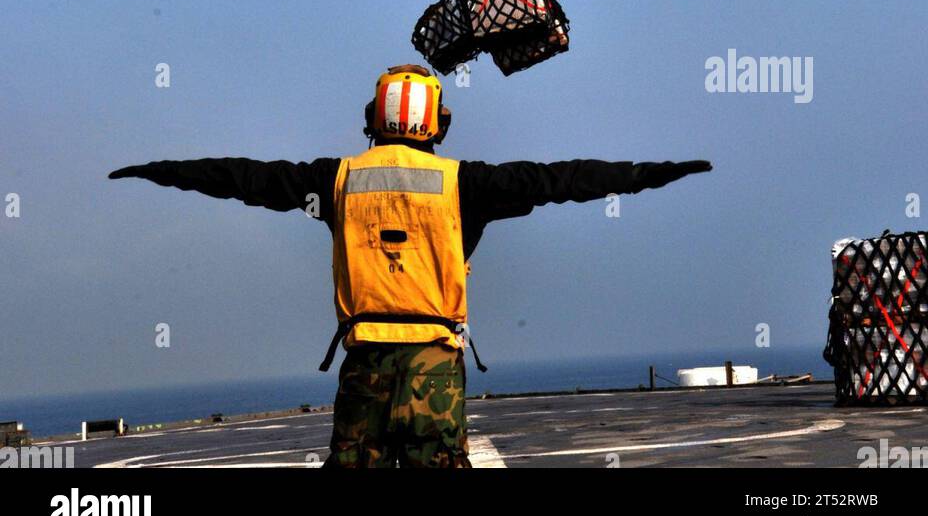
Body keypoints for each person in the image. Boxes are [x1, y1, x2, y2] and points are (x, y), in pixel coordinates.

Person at [109, 64, 711, 468]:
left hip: (365, 368)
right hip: (435, 369)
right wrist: (647, 174)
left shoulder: (337, 181)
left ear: (372, 119)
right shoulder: (465, 184)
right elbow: (565, 180)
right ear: (438, 124)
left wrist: (163, 170)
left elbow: (243, 178)